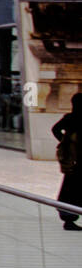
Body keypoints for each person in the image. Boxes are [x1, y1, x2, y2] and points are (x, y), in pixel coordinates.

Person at [51, 93, 82, 231]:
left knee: (69, 190)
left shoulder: (70, 118)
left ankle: (69, 218)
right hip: (76, 161)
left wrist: (64, 141)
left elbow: (55, 129)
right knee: (72, 190)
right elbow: (55, 129)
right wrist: (66, 142)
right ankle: (69, 218)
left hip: (73, 161)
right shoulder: (72, 118)